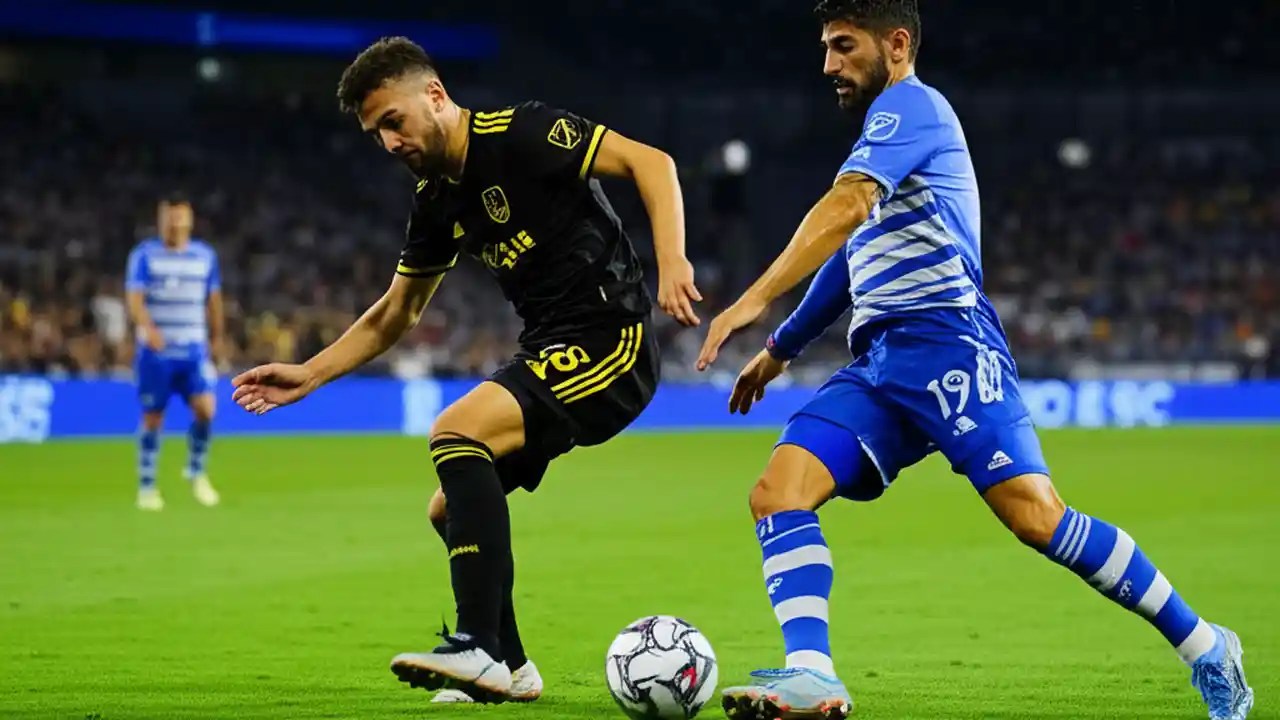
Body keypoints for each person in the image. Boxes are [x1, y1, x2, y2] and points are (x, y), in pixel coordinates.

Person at [696, 2, 1252, 719]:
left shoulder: (914, 110)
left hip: (952, 347)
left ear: (896, 45)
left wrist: (753, 300)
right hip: (881, 365)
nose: (828, 64)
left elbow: (846, 211)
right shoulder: (877, 144)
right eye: (826, 48)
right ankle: (812, 676)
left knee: (1036, 519)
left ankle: (1208, 647)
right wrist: (780, 349)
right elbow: (849, 258)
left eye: (843, 46)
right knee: (778, 491)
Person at [229, 36, 701, 703]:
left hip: (611, 342)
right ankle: (511, 666)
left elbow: (653, 163)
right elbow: (395, 313)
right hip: (551, 347)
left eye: (392, 121)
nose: (388, 143)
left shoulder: (525, 132)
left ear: (434, 94)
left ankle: (476, 647)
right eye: (374, 134)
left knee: (455, 432)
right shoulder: (436, 200)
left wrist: (673, 260)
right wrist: (308, 374)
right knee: (448, 509)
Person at [125, 194, 223, 511]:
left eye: (180, 216)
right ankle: (147, 485)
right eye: (169, 216)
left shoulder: (204, 256)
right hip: (157, 353)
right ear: (160, 219)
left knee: (206, 410)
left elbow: (214, 300)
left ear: (190, 219)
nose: (174, 222)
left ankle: (195, 471)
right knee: (153, 417)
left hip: (194, 349)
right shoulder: (144, 255)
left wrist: (218, 337)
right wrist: (148, 329)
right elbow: (135, 298)